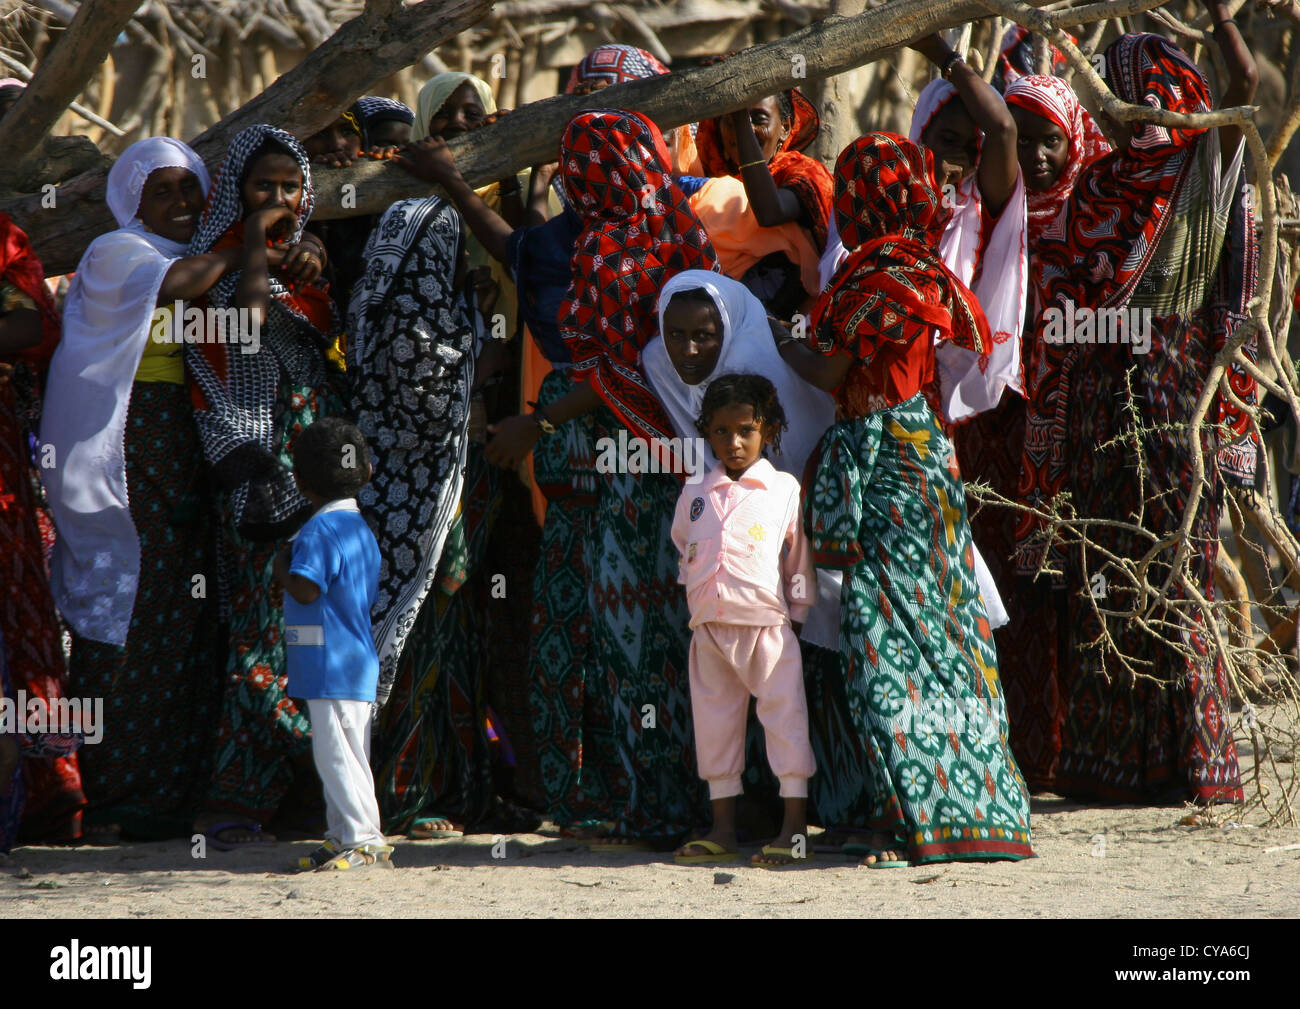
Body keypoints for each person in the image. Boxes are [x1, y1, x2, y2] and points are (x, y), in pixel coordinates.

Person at [1016, 20, 1259, 803]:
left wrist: (1224, 22)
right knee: (1105, 576)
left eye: (1147, 93)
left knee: (1178, 575)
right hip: (1098, 413)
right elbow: (1060, 301)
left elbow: (1245, 92)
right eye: (1124, 96)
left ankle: (1191, 762)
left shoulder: (1201, 168)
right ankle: (1111, 765)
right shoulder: (1097, 183)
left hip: (1172, 406)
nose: (1135, 109)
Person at [780, 133, 1033, 866]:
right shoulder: (923, 269)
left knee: (879, 632)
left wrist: (784, 342)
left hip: (881, 461)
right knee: (944, 632)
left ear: (859, 200)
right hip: (927, 459)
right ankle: (974, 803)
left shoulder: (875, 276)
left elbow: (832, 373)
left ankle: (907, 813)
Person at [487, 109, 720, 847]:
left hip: (628, 466)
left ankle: (651, 805)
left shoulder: (609, 247)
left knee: (633, 644)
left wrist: (542, 422)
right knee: (688, 638)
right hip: (688, 459)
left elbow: (613, 367)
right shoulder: (682, 230)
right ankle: (699, 797)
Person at [41, 137, 235, 842]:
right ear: (131, 200)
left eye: (191, 189)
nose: (182, 203)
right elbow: (184, 285)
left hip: (172, 437)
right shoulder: (118, 251)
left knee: (176, 613)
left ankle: (166, 787)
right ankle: (114, 787)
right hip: (130, 441)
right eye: (164, 191)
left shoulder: (177, 250)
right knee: (131, 613)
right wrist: (251, 241)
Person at [184, 124, 340, 847]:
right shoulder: (211, 265)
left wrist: (306, 265)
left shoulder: (308, 269)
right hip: (253, 462)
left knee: (314, 627)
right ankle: (236, 793)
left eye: (289, 188)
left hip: (315, 466)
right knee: (261, 624)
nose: (278, 200)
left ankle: (303, 793)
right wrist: (252, 242)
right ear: (236, 194)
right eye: (262, 188)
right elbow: (244, 333)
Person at [960, 75, 1109, 790]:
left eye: (1053, 139)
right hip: (998, 427)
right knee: (1006, 596)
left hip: (1078, 427)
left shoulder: (1098, 210)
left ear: (1074, 137)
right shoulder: (995, 210)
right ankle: (1018, 750)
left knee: (1072, 591)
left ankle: (1069, 749)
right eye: (1026, 140)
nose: (1040, 156)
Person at [669, 374, 817, 868]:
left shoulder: (783, 489)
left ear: (769, 430)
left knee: (785, 721)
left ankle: (793, 829)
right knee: (714, 726)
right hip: (708, 629)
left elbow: (798, 561)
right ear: (707, 433)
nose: (732, 442)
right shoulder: (695, 490)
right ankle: (724, 830)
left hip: (769, 631)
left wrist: (795, 619)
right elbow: (682, 546)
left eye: (745, 430)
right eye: (720, 432)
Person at [273, 417, 389, 871]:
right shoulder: (359, 527)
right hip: (351, 660)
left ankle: (362, 839)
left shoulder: (318, 532)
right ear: (369, 471)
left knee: (336, 754)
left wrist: (282, 565)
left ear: (299, 482)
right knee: (348, 751)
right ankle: (345, 836)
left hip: (330, 661)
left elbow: (306, 589)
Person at [692, 87, 833, 319]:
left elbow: (770, 213)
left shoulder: (803, 173)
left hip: (793, 332)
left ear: (785, 127)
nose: (742, 131)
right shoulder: (711, 187)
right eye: (731, 121)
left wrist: (739, 119)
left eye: (758, 120)